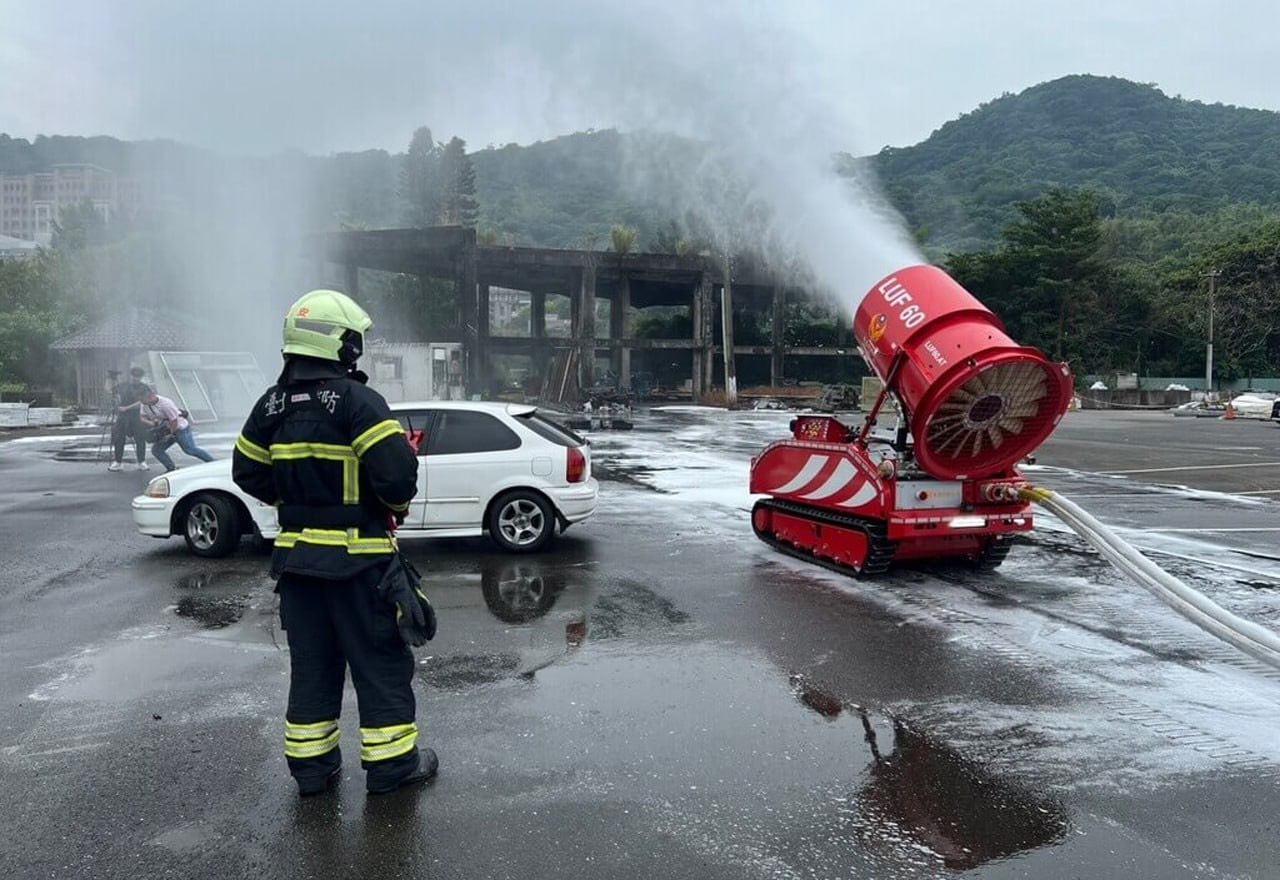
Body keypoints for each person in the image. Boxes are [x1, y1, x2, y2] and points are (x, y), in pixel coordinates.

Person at [232, 289, 437, 797]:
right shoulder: (357, 400)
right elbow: (396, 480)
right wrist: (374, 497)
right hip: (360, 566)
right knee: (380, 665)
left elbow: (245, 471)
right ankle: (392, 768)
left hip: (298, 568)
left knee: (313, 670)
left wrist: (299, 496)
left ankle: (312, 772)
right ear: (338, 343)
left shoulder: (271, 404)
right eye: (354, 338)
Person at [139, 389, 215, 472]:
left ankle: (213, 463)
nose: (141, 402)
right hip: (165, 429)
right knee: (157, 450)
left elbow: (174, 420)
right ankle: (171, 468)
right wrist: (152, 423)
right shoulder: (145, 405)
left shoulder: (166, 403)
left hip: (180, 428)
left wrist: (170, 435)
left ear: (150, 396)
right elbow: (142, 417)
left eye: (142, 399)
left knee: (189, 449)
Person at [107, 366, 150, 472]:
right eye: (134, 376)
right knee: (118, 438)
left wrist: (126, 408)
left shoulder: (144, 387)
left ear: (141, 377)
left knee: (140, 438)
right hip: (122, 416)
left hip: (137, 415)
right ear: (131, 375)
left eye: (138, 376)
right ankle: (118, 462)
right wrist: (109, 378)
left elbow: (142, 402)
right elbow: (109, 391)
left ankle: (141, 462)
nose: (135, 378)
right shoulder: (123, 385)